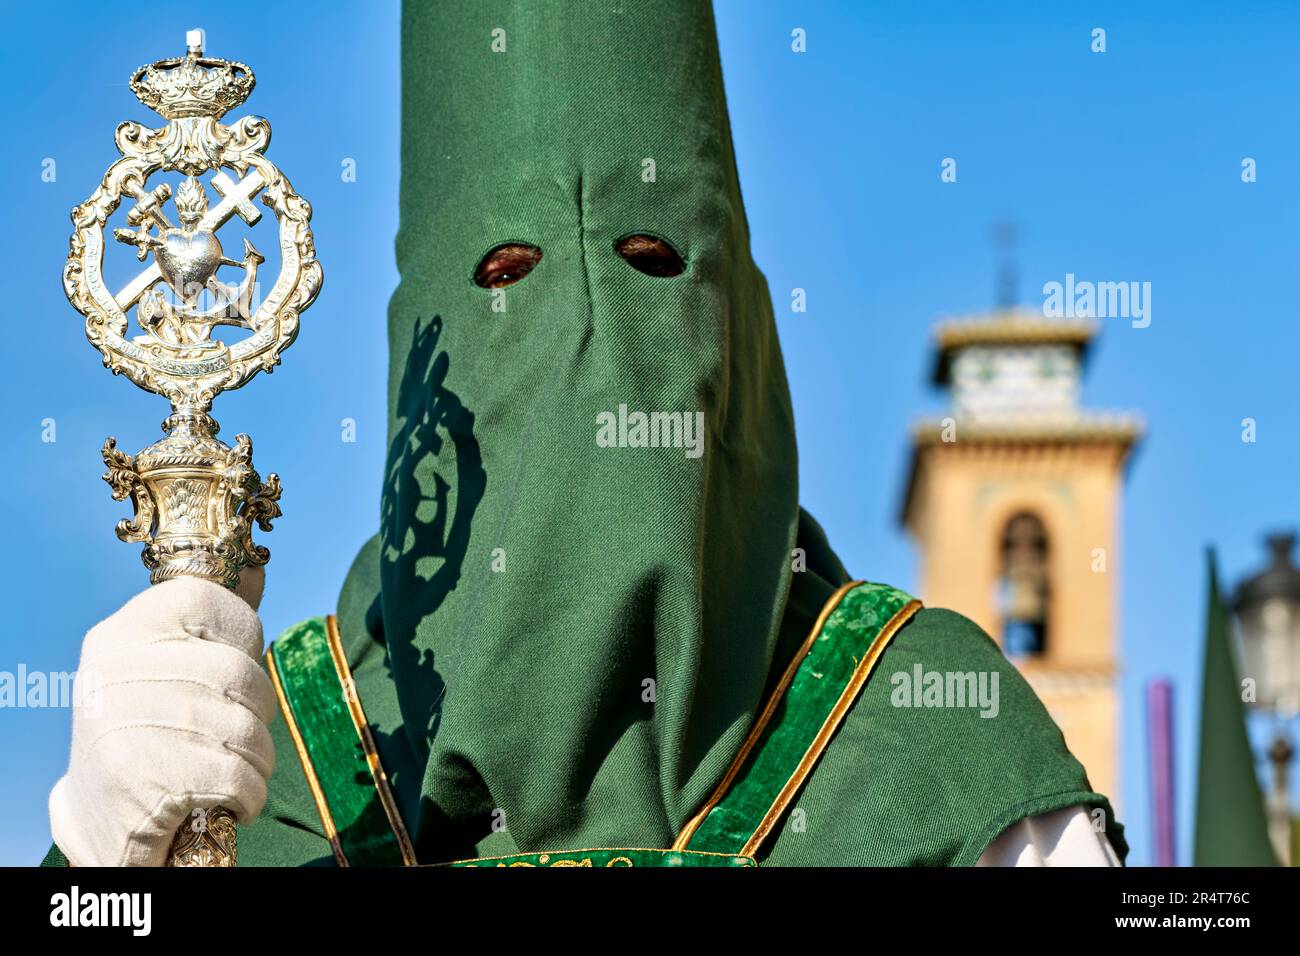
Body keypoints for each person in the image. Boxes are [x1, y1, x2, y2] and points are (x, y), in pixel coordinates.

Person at [45, 0, 1124, 868]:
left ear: (735, 325)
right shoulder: (271, 760)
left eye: (650, 262)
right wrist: (99, 876)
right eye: (504, 278)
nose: (588, 331)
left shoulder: (934, 747)